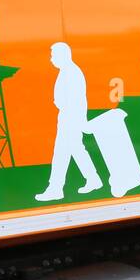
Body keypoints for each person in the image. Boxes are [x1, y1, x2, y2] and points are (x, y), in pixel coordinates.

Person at [35, 42, 102, 201]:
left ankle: (56, 188)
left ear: (62, 55)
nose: (51, 59)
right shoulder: (69, 71)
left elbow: (75, 100)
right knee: (72, 151)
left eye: (53, 56)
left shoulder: (71, 72)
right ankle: (92, 180)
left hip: (69, 118)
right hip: (69, 118)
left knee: (63, 153)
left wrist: (77, 120)